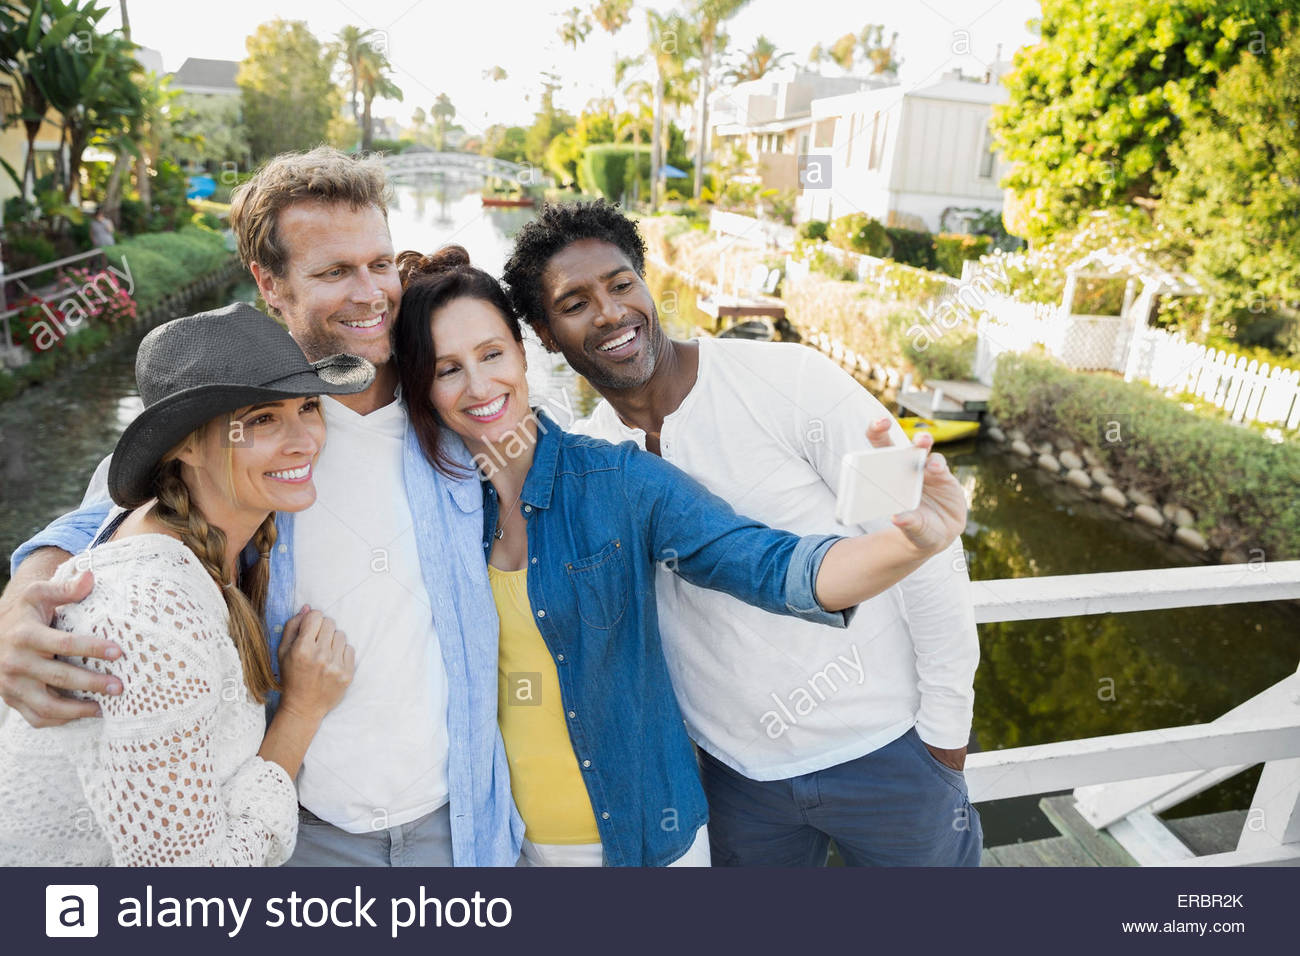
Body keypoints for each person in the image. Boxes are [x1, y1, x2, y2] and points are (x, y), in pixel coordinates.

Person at [0, 147, 522, 867]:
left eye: (380, 262)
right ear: (269, 284)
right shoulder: (245, 417)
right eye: (335, 272)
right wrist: (23, 599)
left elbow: (548, 450)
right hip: (296, 828)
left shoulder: (455, 404)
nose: (371, 292)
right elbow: (112, 516)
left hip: (456, 821)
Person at [392, 245, 969, 866]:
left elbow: (774, 567)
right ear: (548, 334)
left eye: (491, 354)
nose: (478, 384)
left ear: (522, 350)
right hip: (516, 841)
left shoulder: (618, 476)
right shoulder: (443, 510)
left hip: (652, 838)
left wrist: (908, 545)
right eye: (448, 369)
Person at [0, 304, 369, 865]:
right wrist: (301, 713)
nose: (305, 440)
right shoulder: (148, 619)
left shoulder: (202, 536)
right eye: (264, 419)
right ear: (185, 447)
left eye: (309, 407)